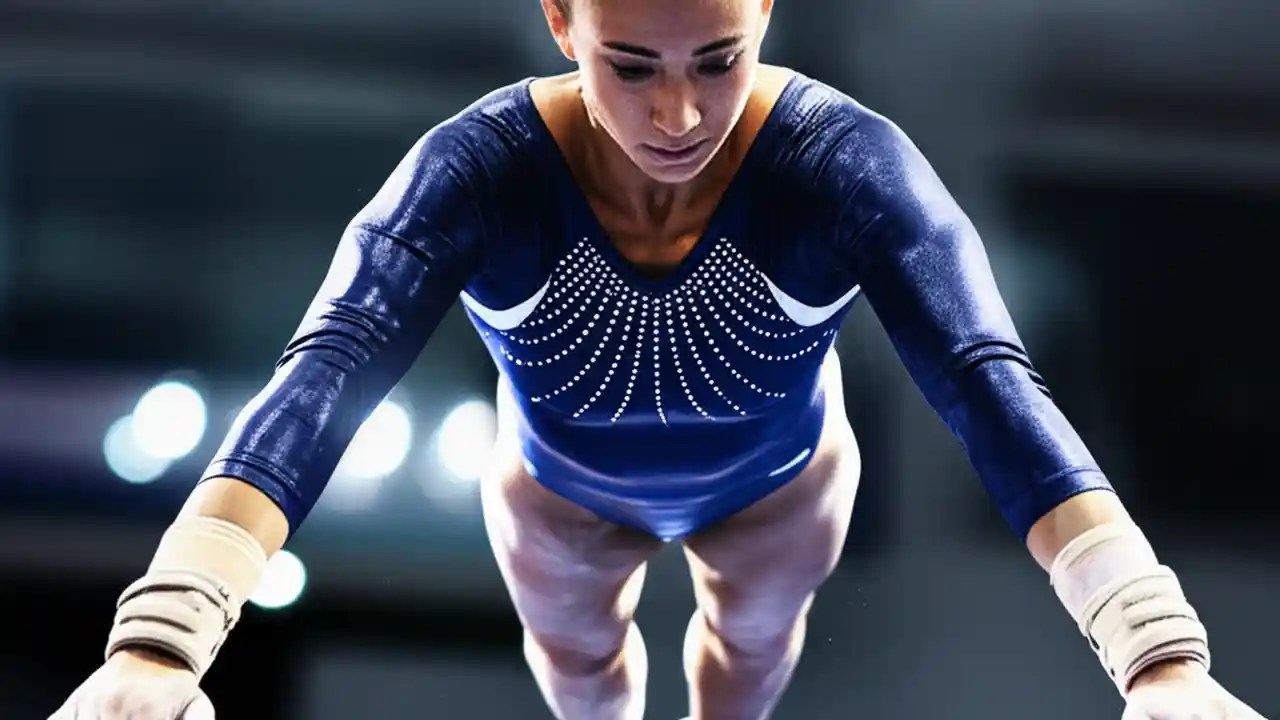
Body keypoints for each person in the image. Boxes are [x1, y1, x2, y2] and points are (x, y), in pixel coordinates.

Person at [51, 1, 1268, 718]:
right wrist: (159, 644)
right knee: (586, 678)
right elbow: (325, 375)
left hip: (778, 495)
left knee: (739, 675)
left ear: (765, 16)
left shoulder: (843, 168)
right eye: (631, 63)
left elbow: (984, 382)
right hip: (557, 498)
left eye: (717, 60)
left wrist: (1155, 657)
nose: (678, 117)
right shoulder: (475, 174)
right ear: (560, 19)